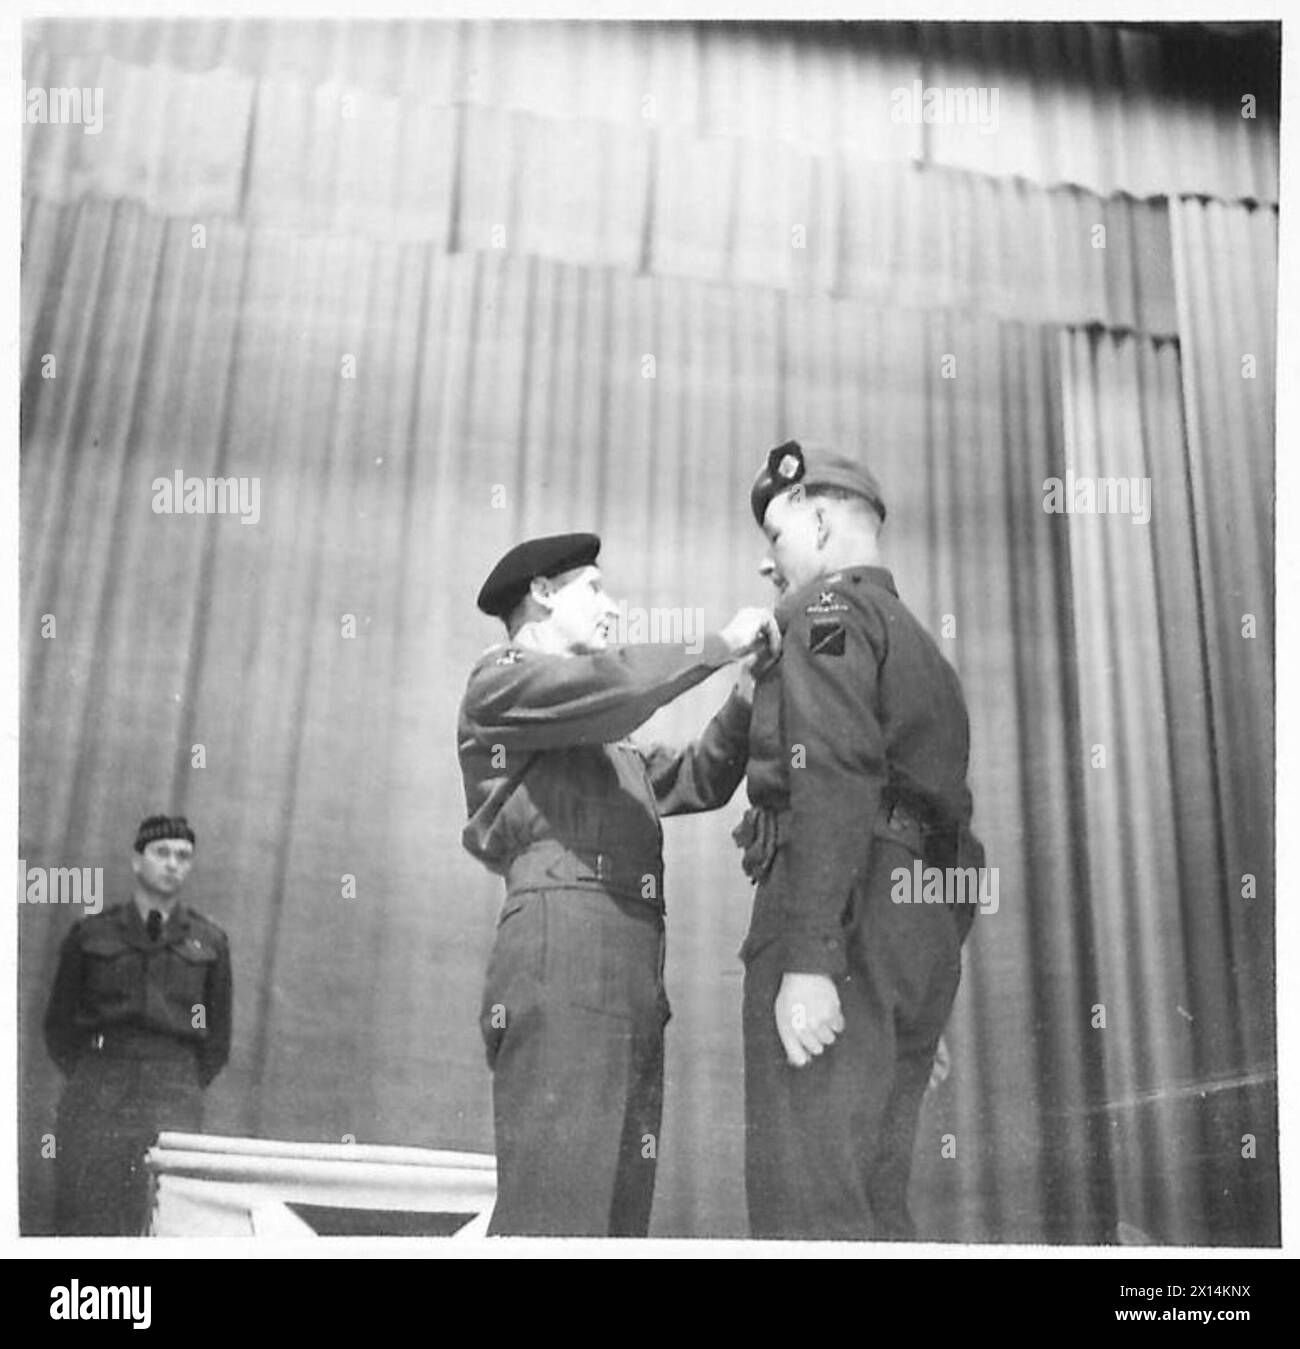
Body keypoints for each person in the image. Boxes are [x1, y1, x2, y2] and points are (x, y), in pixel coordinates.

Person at [459, 531, 777, 1236]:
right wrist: (719, 644)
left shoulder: (594, 732)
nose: (613, 606)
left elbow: (698, 776)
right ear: (541, 592)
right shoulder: (503, 680)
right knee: (557, 1210)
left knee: (614, 1220)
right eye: (594, 588)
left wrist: (748, 692)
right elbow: (622, 686)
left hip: (624, 965)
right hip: (566, 946)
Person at [733, 440, 984, 1240]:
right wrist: (922, 990)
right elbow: (960, 840)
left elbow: (834, 775)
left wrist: (810, 958)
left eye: (775, 538)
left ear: (815, 518)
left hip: (840, 929)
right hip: (915, 936)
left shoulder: (823, 614)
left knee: (808, 1204)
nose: (768, 567)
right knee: (876, 1204)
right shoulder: (927, 654)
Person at [44, 815, 233, 1234]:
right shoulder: (90, 933)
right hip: (99, 1086)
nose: (173, 864)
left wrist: (176, 1078)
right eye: (162, 853)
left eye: (183, 856)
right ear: (136, 861)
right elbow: (58, 1027)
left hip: (173, 1093)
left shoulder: (210, 942)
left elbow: (217, 1041)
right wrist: (96, 1073)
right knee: (87, 1209)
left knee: (167, 1214)